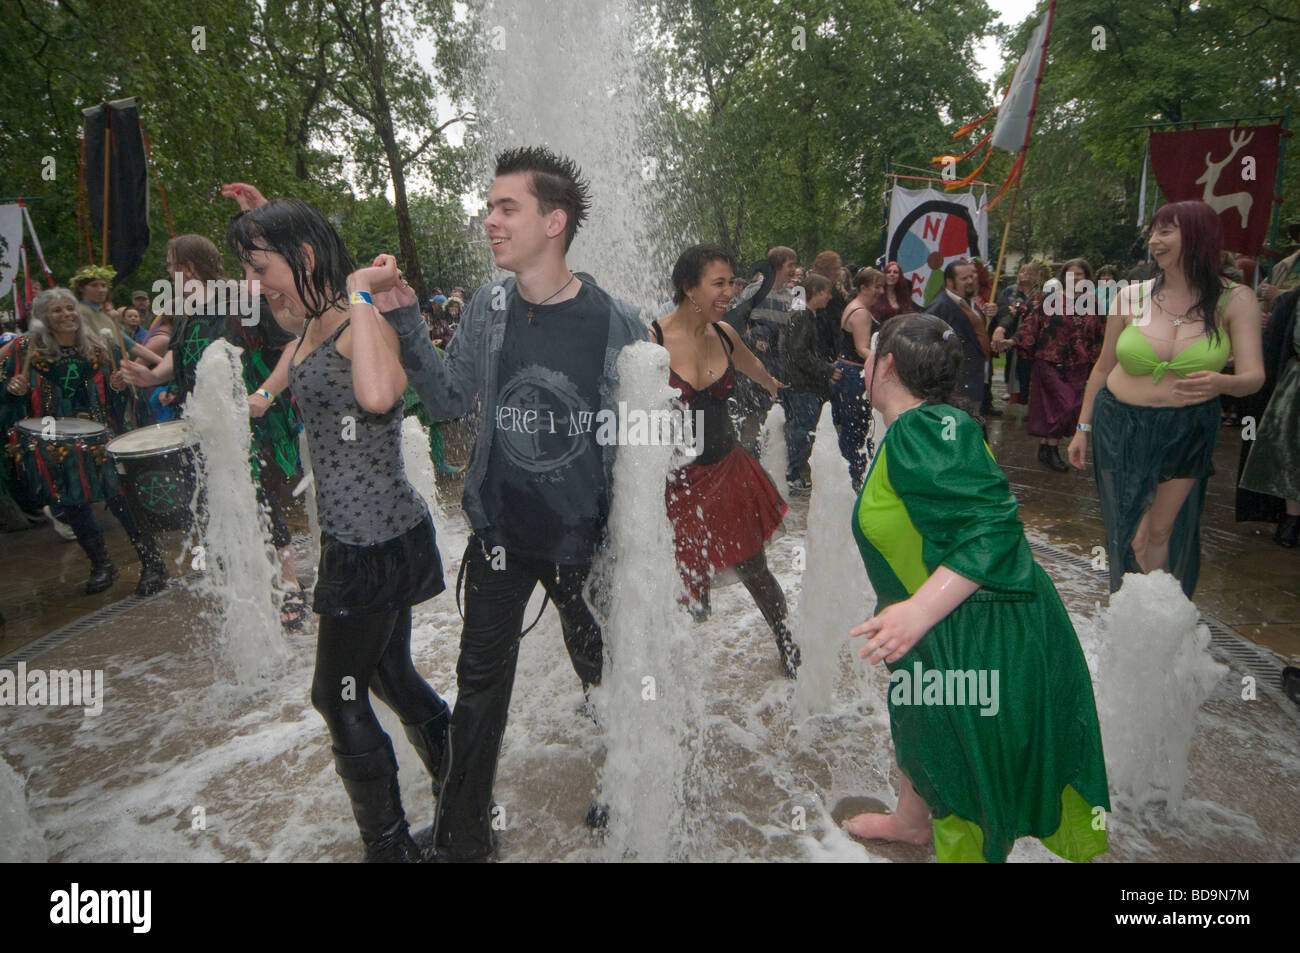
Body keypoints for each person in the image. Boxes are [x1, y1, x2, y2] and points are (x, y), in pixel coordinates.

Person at [380, 146, 645, 861]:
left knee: (601, 666)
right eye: (488, 206)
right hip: (501, 535)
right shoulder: (487, 310)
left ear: (552, 221)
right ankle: (465, 838)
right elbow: (443, 400)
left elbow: (647, 442)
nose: (488, 220)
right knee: (479, 686)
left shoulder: (618, 321)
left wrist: (633, 538)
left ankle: (628, 784)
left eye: (506, 207)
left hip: (583, 542)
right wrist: (406, 321)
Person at [226, 198, 450, 862]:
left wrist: (358, 291)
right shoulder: (312, 324)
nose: (252, 282)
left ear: (305, 260)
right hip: (368, 537)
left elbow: (381, 397)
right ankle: (465, 797)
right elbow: (296, 360)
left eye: (257, 265)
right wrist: (262, 395)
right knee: (388, 674)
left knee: (335, 691)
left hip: (374, 545)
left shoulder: (359, 322)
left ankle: (389, 849)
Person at [844, 313, 1110, 863]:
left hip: (973, 632)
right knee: (919, 722)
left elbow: (994, 529)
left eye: (869, 356)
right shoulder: (936, 423)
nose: (861, 365)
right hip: (962, 620)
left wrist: (918, 610)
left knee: (961, 774)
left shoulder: (922, 432)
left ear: (887, 366)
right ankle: (912, 821)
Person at [1068, 200, 1265, 598]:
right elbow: (1103, 369)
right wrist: (1082, 427)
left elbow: (1254, 377)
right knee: (1128, 530)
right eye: (1153, 233)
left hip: (1188, 428)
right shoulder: (1129, 297)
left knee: (1159, 530)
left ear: (1197, 236)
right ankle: (1133, 613)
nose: (1155, 242)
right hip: (1120, 426)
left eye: (1166, 231)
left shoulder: (1235, 299)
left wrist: (1221, 384)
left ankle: (1155, 617)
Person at [120, 233, 307, 626]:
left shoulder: (243, 300)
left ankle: (290, 586)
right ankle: (252, 585)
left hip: (252, 424)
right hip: (207, 428)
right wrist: (151, 376)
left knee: (264, 501)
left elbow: (293, 345)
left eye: (171, 266)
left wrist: (264, 394)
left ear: (187, 268)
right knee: (222, 504)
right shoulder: (188, 311)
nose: (168, 273)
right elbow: (183, 354)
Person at [651, 244, 799, 677]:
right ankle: (668, 673)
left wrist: (774, 385)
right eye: (719, 283)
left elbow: (751, 364)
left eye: (731, 283)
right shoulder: (654, 340)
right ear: (688, 288)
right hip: (677, 481)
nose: (729, 293)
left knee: (754, 566)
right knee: (678, 576)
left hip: (729, 471)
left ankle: (786, 640)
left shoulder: (724, 334)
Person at [2, 288, 167, 596]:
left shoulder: (102, 346)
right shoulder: (24, 351)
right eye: (57, 311)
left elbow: (125, 399)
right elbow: (11, 403)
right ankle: (101, 565)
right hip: (55, 440)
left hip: (102, 435)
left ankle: (153, 564)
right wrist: (14, 390)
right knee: (73, 502)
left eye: (70, 308)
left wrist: (119, 387)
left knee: (121, 499)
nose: (67, 315)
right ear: (42, 318)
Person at [1014, 258, 1105, 472]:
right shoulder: (1049, 300)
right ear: (1063, 277)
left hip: (1079, 365)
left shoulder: (1095, 304)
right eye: (1070, 274)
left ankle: (1046, 447)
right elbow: (1030, 324)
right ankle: (1052, 450)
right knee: (1061, 406)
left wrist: (1101, 360)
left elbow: (1101, 334)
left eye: (1080, 275)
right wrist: (1012, 341)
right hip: (1049, 361)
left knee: (1073, 407)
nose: (1075, 279)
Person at [1239, 288, 1300, 547]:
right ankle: (1292, 517)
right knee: (1286, 453)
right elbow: (1272, 344)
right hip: (1294, 387)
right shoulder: (1292, 301)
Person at [781, 273, 842, 491]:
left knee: (803, 427)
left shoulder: (804, 315)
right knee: (803, 428)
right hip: (801, 385)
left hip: (802, 383)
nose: (830, 296)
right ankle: (790, 474)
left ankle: (792, 472)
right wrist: (826, 370)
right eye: (827, 292)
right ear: (815, 292)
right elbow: (798, 353)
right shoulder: (802, 316)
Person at [830, 267, 884, 490]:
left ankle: (847, 475)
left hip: (846, 372)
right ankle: (853, 478)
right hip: (854, 375)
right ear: (863, 287)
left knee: (850, 428)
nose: (880, 291)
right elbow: (862, 348)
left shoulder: (854, 306)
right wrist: (886, 361)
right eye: (877, 287)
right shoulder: (860, 312)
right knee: (856, 429)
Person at [924, 260, 990, 414]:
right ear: (950, 282)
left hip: (974, 382)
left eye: (973, 276)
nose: (971, 281)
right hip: (957, 387)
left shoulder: (968, 303)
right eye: (964, 278)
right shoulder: (940, 308)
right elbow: (927, 346)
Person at [990, 261, 1043, 409]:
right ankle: (1009, 389)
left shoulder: (1040, 293)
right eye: (1023, 271)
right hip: (1013, 332)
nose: (1025, 274)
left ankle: (1028, 393)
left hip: (1033, 336)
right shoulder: (1010, 291)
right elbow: (1003, 310)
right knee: (1011, 361)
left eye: (1030, 272)